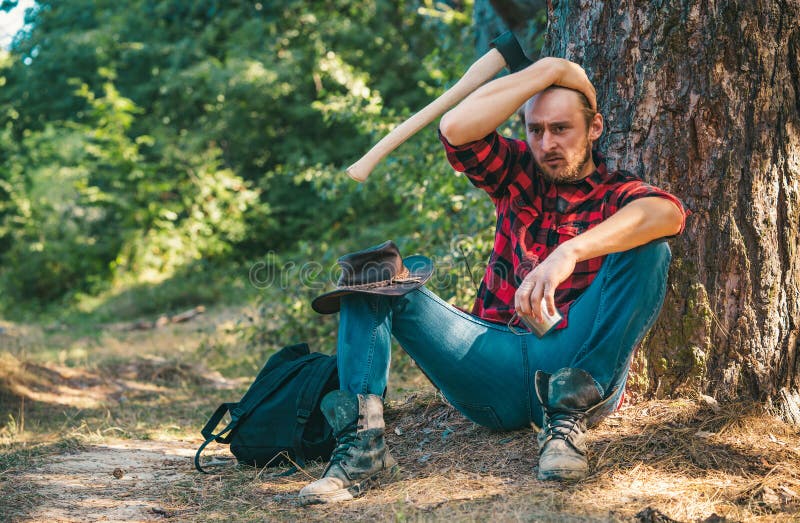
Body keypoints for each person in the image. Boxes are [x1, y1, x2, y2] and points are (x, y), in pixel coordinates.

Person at [298, 57, 687, 504]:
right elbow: (456, 127)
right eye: (536, 130)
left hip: (570, 360)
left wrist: (568, 253)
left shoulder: (615, 192)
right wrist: (552, 70)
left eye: (561, 129)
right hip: (489, 363)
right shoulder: (516, 172)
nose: (547, 143)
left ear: (594, 127)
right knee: (374, 273)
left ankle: (565, 424)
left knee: (650, 249)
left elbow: (667, 214)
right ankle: (361, 449)